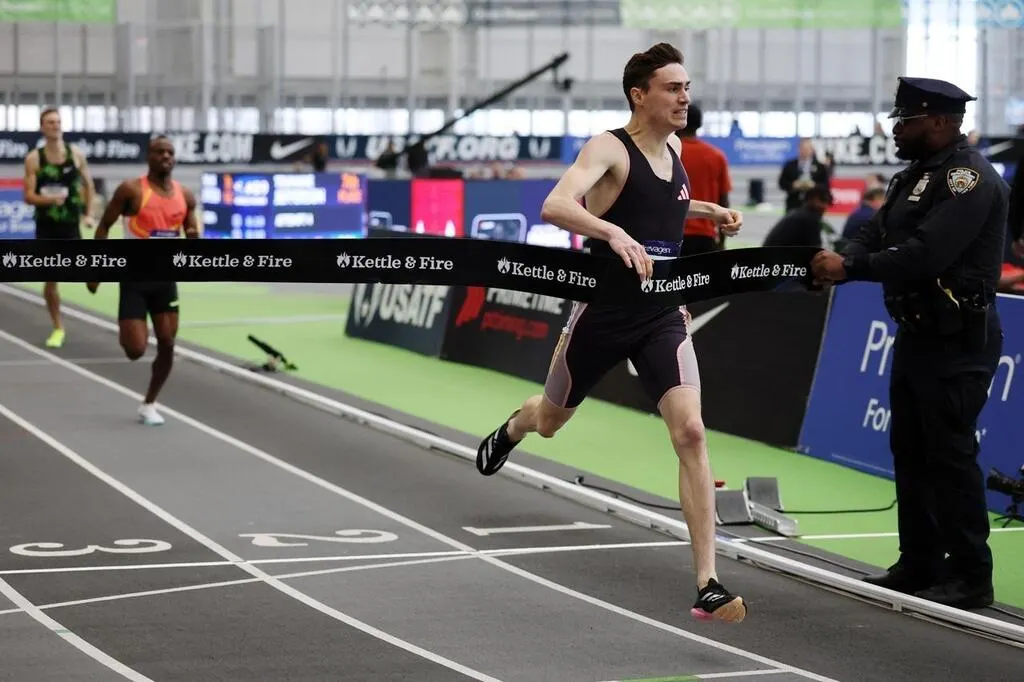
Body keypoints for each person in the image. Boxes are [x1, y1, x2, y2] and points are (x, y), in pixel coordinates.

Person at [475, 43, 747, 624]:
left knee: (692, 433)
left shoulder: (675, 148)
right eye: (673, 88)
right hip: (601, 314)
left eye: (687, 87)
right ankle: (515, 426)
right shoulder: (608, 147)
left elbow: (663, 207)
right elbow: (555, 204)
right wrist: (613, 235)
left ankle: (708, 582)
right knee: (550, 422)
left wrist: (707, 211)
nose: (684, 98)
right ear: (639, 95)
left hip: (662, 314)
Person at [811, 76, 1009, 610]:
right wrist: (847, 256)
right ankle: (920, 561)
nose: (898, 129)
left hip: (958, 341)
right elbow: (875, 234)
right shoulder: (914, 178)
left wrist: (847, 268)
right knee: (911, 451)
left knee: (950, 455)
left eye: (908, 120)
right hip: (919, 335)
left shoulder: (970, 180)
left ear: (940, 122)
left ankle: (971, 575)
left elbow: (926, 254)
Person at [88, 135, 200, 426]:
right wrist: (96, 269)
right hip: (134, 279)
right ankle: (131, 326)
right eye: (159, 152)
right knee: (136, 350)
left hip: (165, 281)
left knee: (167, 342)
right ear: (149, 156)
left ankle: (149, 403)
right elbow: (103, 227)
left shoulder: (185, 194)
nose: (165, 156)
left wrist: (193, 236)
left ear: (174, 159)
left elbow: (190, 225)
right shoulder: (131, 190)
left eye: (170, 152)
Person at [22, 107, 96, 348]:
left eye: (58, 122)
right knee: (51, 280)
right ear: (43, 128)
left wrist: (89, 214)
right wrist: (50, 200)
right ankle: (58, 328)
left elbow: (88, 185)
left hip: (70, 225)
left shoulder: (75, 155)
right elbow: (29, 196)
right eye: (50, 123)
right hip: (46, 226)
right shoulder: (34, 158)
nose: (55, 126)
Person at [675, 103, 733, 254]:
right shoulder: (716, 156)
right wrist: (722, 241)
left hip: (672, 234)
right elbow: (724, 200)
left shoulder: (669, 154)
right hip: (705, 237)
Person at [762, 185, 833, 248]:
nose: (825, 206)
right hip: (779, 259)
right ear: (811, 199)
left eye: (827, 202)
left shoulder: (798, 213)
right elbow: (815, 250)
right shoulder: (810, 218)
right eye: (823, 201)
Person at [778, 138, 831, 213]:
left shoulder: (820, 167)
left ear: (812, 150)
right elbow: (781, 182)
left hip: (813, 204)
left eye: (807, 149)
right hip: (793, 203)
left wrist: (814, 186)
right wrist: (793, 185)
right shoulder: (790, 165)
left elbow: (826, 185)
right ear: (799, 149)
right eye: (803, 148)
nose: (805, 151)